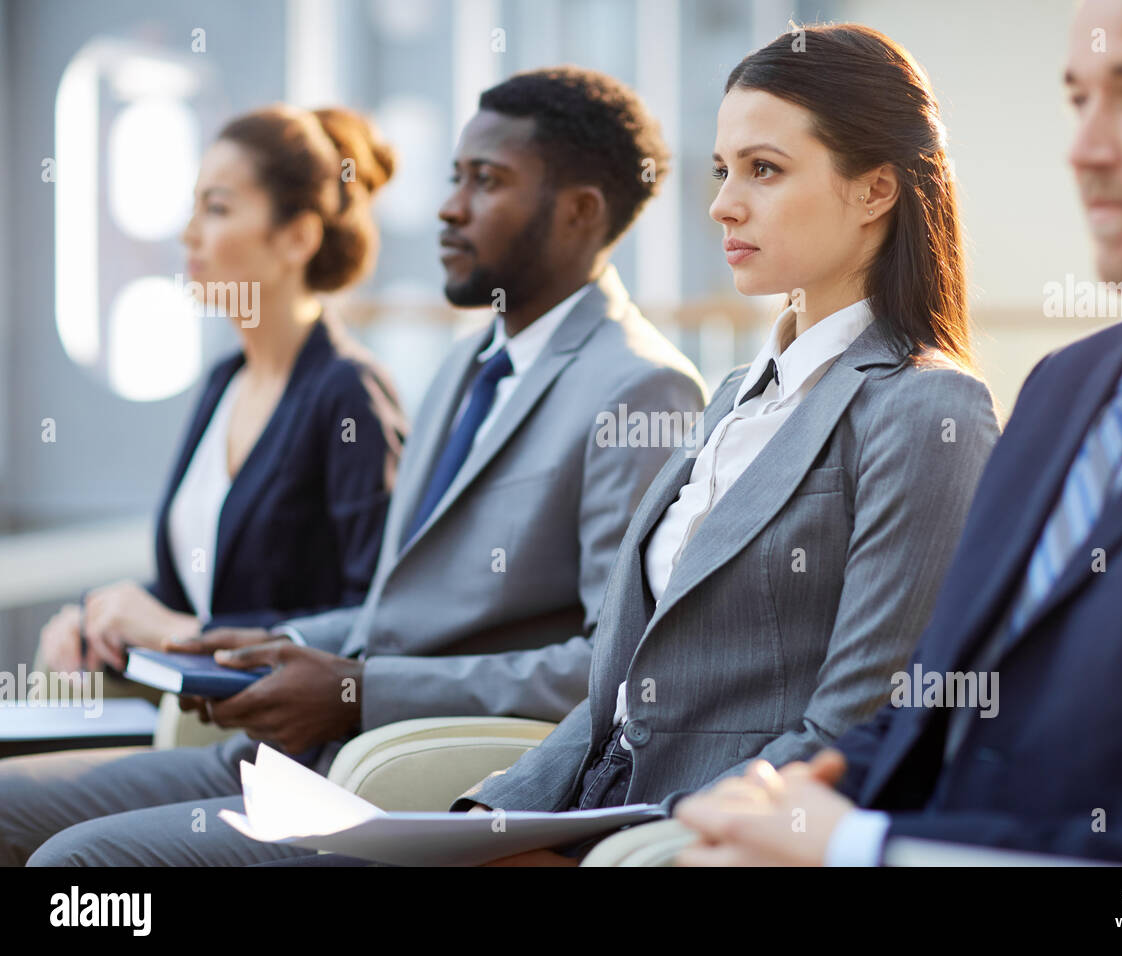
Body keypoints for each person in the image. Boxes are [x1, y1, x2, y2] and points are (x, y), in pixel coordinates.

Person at [1, 66, 706, 868]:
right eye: (453, 178)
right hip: (317, 747)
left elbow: (608, 668)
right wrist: (262, 649)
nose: (448, 206)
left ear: (580, 212)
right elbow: (395, 610)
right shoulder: (466, 366)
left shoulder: (640, 384)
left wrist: (357, 689)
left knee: (79, 866)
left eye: (486, 182)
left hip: (413, 779)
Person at [675, 0, 1122, 867]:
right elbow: (932, 698)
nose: (1086, 148)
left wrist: (867, 847)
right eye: (1079, 100)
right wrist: (776, 808)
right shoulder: (1066, 385)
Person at [449, 23, 1000, 866]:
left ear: (875, 189)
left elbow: (848, 729)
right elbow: (617, 694)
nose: (722, 204)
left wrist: (633, 842)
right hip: (596, 818)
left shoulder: (926, 407)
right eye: (722, 170)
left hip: (696, 841)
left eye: (764, 170)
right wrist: (490, 816)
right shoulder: (735, 396)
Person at [34, 104, 404, 686]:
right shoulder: (224, 383)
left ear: (298, 237)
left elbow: (377, 625)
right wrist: (97, 617)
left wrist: (178, 633)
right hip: (193, 714)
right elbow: (198, 595)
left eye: (217, 208)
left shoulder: (349, 394)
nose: (189, 234)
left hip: (283, 744)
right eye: (194, 207)